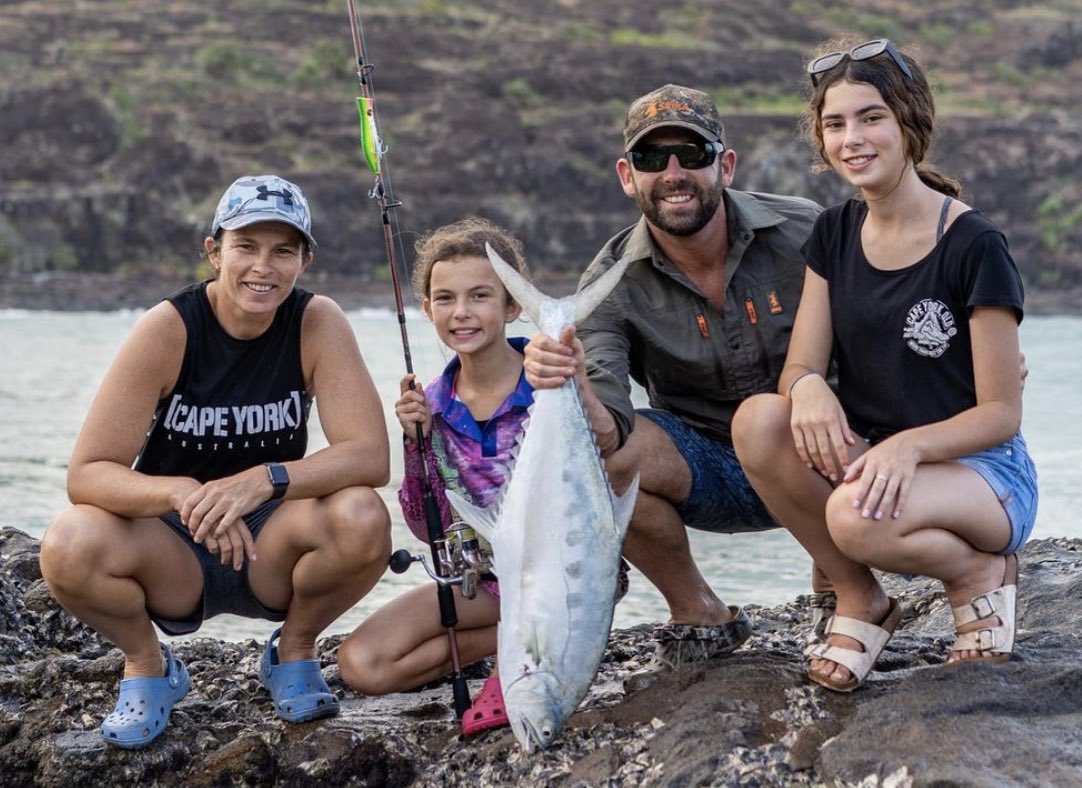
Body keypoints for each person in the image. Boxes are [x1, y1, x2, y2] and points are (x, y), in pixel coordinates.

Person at [39, 174, 392, 748]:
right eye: (245, 246)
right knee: (68, 542)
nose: (263, 267)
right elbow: (89, 473)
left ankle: (294, 651)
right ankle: (148, 665)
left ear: (305, 260)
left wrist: (264, 480)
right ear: (214, 250)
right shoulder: (168, 327)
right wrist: (182, 493)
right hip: (171, 547)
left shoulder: (317, 321)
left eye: (283, 251)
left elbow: (370, 456)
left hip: (269, 543)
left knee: (362, 515)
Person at [731, 39, 1038, 692]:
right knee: (758, 420)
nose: (852, 139)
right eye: (835, 124)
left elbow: (1001, 413)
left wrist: (908, 447)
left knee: (853, 515)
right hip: (878, 460)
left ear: (909, 121)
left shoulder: (975, 244)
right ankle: (859, 597)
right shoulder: (834, 232)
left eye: (871, 117)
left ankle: (977, 573)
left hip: (983, 476)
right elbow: (800, 366)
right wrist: (807, 386)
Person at [523, 84, 824, 674]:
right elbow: (606, 433)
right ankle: (699, 611)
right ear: (627, 176)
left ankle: (837, 582)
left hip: (821, 454)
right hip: (709, 469)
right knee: (600, 461)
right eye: (651, 158)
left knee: (841, 399)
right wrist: (570, 381)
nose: (673, 173)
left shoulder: (805, 229)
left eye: (692, 153)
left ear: (725, 165)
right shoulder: (607, 284)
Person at [337, 218, 532, 736]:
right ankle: (516, 639)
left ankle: (534, 645)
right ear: (427, 311)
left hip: (553, 576)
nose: (461, 312)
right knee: (362, 664)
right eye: (445, 298)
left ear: (512, 305)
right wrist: (415, 443)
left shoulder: (549, 381)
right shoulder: (433, 404)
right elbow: (430, 531)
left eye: (480, 296)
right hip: (484, 584)